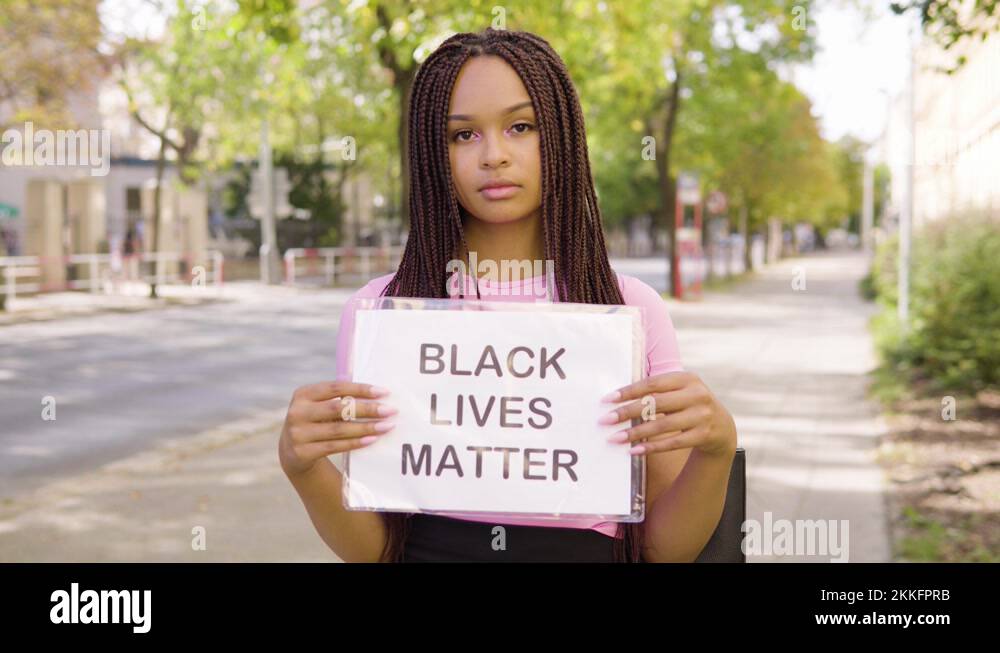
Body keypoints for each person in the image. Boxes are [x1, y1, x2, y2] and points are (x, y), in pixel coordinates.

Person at [278, 28, 737, 563]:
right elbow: (376, 551)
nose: (493, 155)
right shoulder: (381, 312)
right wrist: (303, 466)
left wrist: (717, 448)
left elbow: (665, 549)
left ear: (560, 136)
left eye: (521, 127)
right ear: (433, 153)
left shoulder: (629, 310)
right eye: (463, 135)